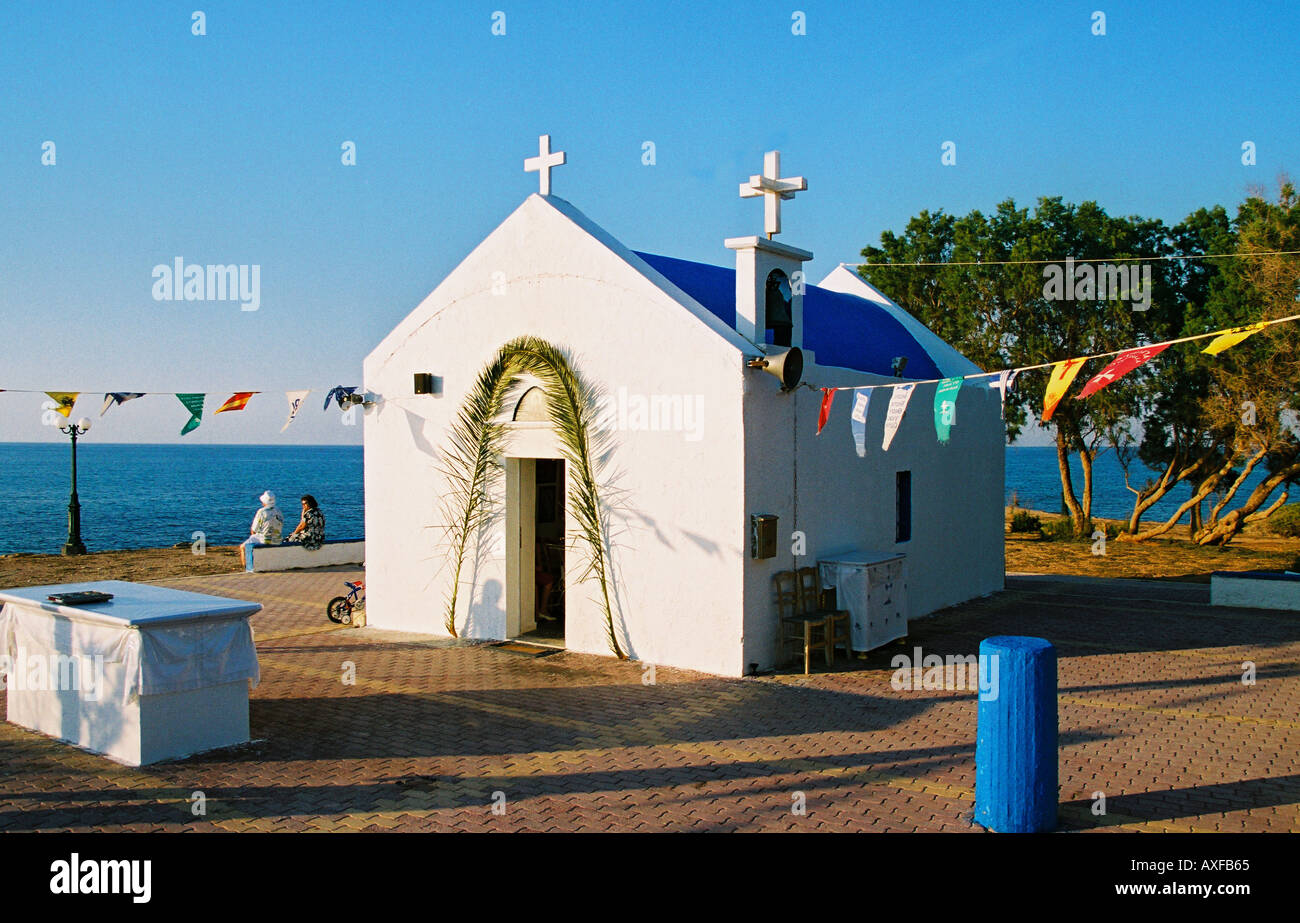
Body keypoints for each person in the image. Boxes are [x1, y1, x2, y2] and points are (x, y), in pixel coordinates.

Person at [239, 490, 284, 567]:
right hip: (277, 539)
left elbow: (254, 530)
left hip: (265, 539)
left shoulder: (261, 512)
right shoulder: (278, 511)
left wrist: (254, 535)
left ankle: (246, 566)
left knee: (242, 547)